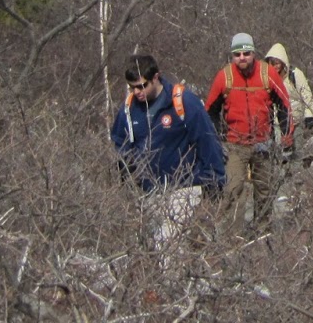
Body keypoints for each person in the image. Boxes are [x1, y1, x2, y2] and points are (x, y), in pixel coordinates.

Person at [109, 53, 226, 249]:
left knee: (168, 249)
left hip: (183, 188)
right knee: (151, 249)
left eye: (142, 86)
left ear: (156, 78)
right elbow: (120, 144)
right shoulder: (129, 109)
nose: (137, 92)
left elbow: (207, 140)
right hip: (148, 192)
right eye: (132, 87)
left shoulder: (183, 102)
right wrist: (127, 175)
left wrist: (215, 180)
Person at [204, 33, 292, 232]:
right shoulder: (224, 77)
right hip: (235, 144)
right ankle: (233, 236)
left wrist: (287, 136)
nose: (242, 58)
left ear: (253, 53)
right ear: (232, 56)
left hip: (263, 142)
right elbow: (209, 112)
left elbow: (284, 106)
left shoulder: (267, 73)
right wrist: (218, 141)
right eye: (237, 54)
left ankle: (263, 231)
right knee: (233, 190)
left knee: (264, 189)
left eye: (246, 53)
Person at [264, 43, 313, 151]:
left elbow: (306, 95)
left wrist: (309, 115)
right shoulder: (267, 79)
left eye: (277, 63)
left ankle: (298, 167)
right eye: (272, 63)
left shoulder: (295, 75)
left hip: (298, 121)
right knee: (281, 150)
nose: (275, 66)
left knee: (298, 149)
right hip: (278, 124)